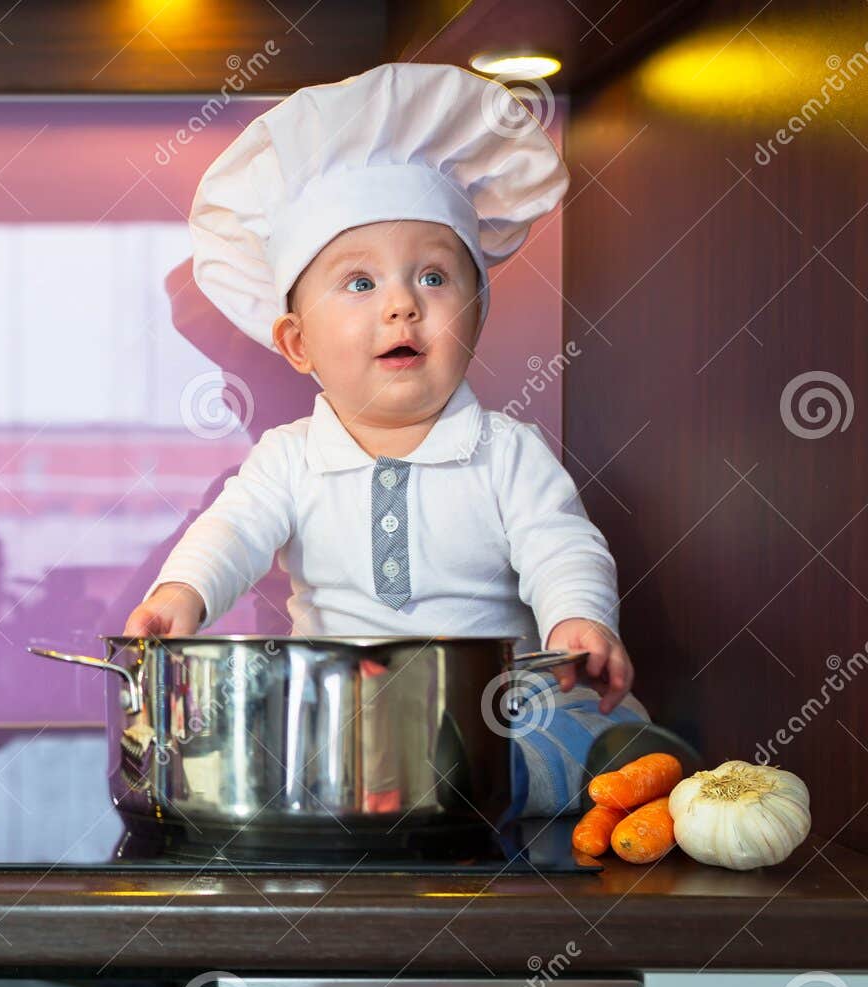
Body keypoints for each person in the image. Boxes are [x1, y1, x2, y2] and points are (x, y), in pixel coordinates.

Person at [122, 62, 646, 816]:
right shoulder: (289, 457)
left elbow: (560, 543)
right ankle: (418, 792)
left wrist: (578, 618)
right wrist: (182, 593)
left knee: (580, 734)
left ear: (478, 313)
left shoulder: (507, 451)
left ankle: (514, 783)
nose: (403, 305)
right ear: (298, 342)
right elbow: (232, 530)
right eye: (360, 283)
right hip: (343, 714)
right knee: (276, 744)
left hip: (500, 705)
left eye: (433, 278)